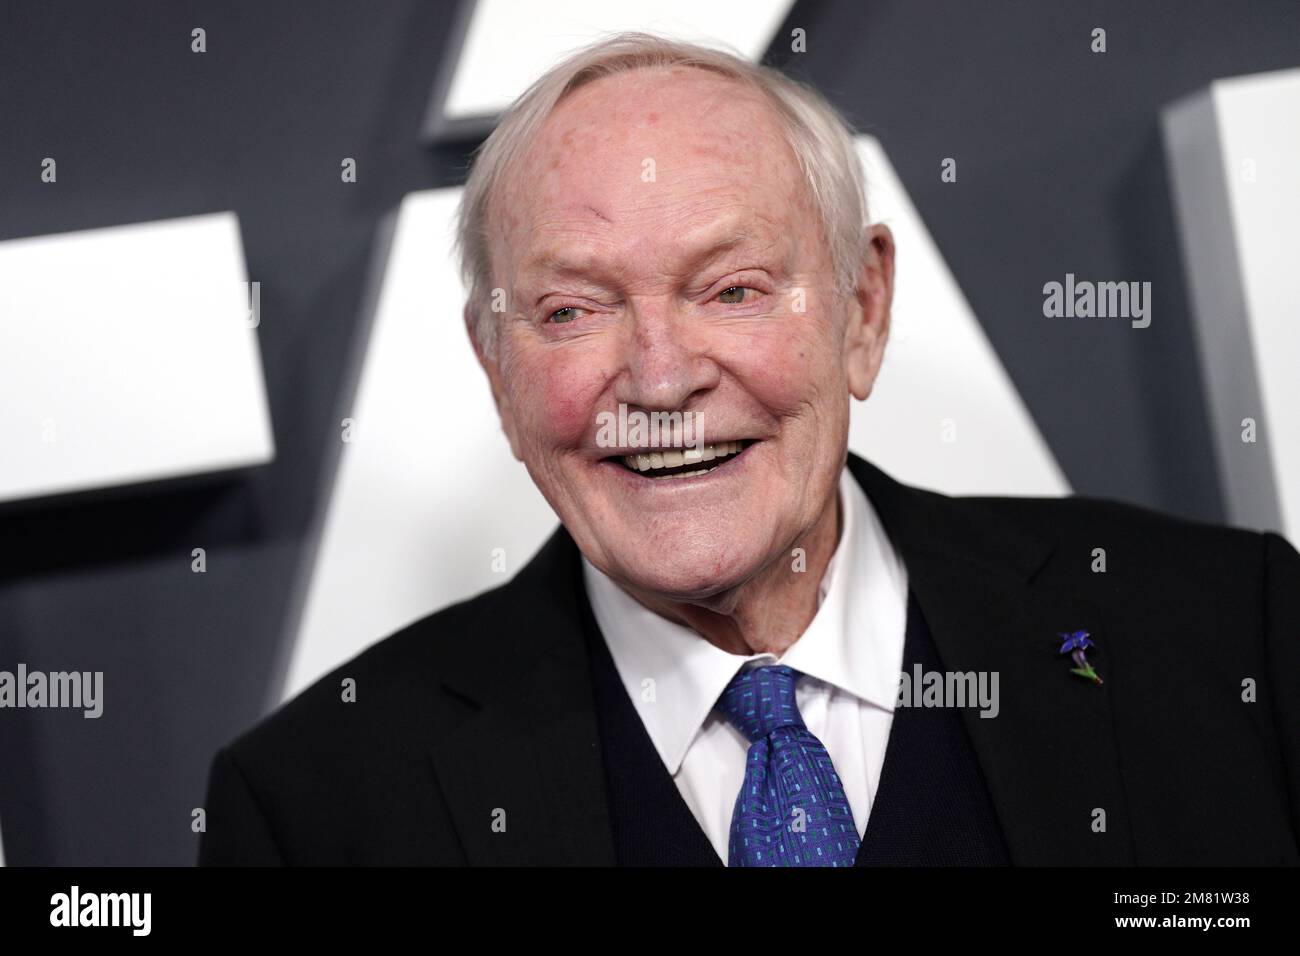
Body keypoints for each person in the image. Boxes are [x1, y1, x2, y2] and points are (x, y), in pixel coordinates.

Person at [199, 32, 1300, 866]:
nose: (662, 378)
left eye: (732, 290)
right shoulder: (315, 811)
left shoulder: (1224, 631)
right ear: (494, 362)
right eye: (574, 310)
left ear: (861, 309)